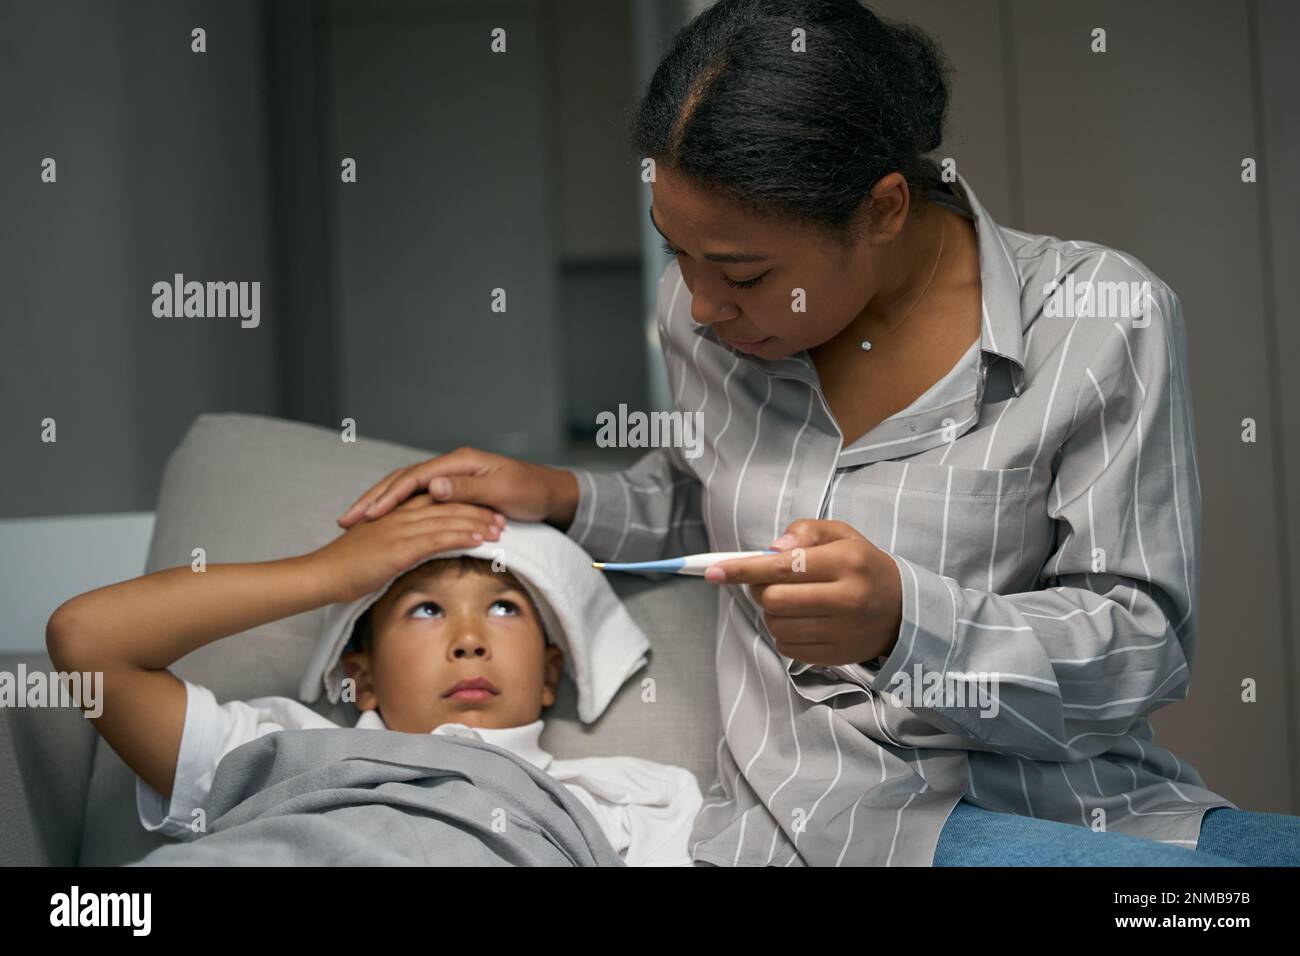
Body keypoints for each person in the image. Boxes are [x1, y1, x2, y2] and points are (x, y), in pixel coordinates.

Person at [338, 0, 1300, 866]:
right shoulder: (704, 322)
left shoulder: (1098, 316)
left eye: (745, 274)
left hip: (1106, 797)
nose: (701, 305)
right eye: (678, 255)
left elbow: (1141, 648)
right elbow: (708, 498)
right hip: (852, 820)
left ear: (881, 209)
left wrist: (903, 623)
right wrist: (565, 495)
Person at [45, 495, 703, 866]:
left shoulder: (622, 803)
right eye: (425, 608)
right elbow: (89, 641)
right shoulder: (282, 748)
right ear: (361, 679)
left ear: (550, 675)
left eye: (504, 608)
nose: (469, 639)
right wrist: (324, 574)